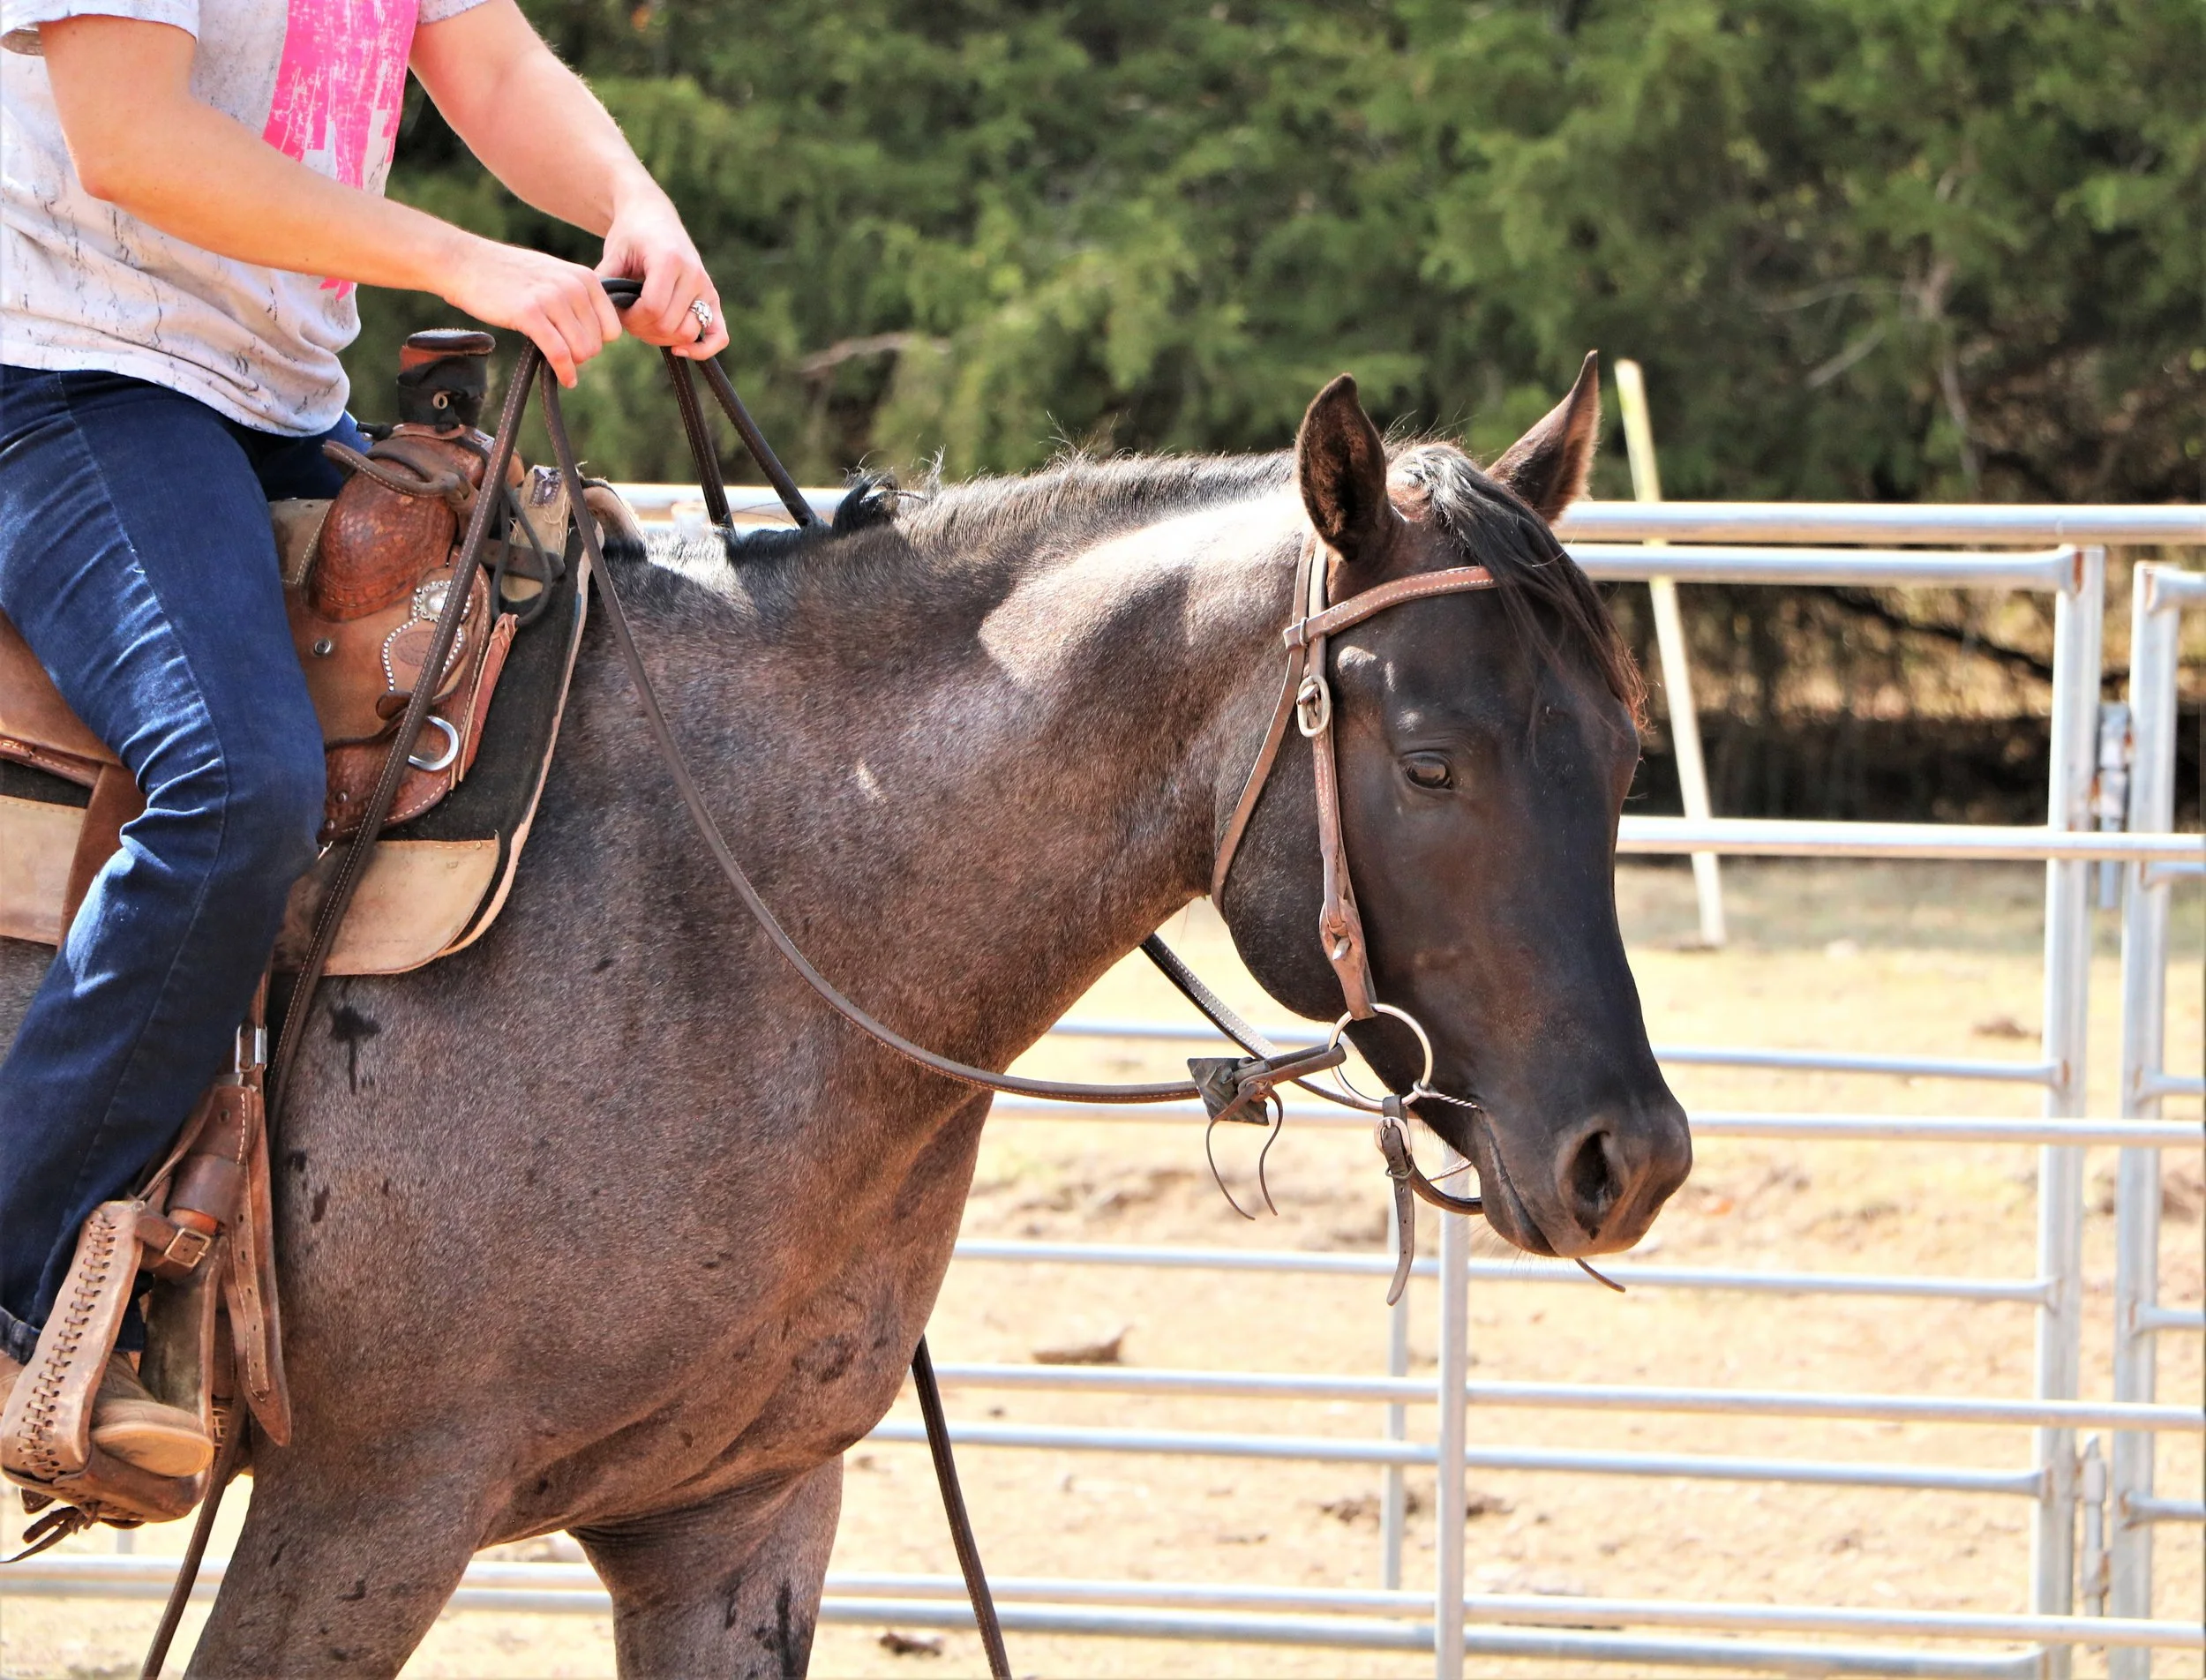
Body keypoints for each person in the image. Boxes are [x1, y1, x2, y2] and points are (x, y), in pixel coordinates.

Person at [0, 0, 728, 1474]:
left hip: (275, 393)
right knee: (233, 786)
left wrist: (628, 199)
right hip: (71, 369)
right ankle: (15, 1280)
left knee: (593, 643)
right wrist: (465, 259)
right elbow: (129, 140)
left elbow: (496, 65)